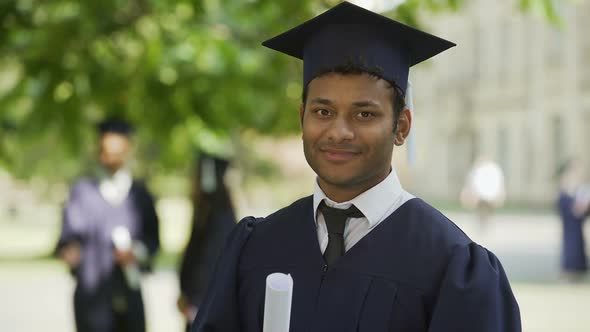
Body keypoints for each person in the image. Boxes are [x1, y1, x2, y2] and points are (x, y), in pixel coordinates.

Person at [191, 2, 521, 331]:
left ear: (402, 126)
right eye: (323, 112)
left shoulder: (452, 265)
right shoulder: (256, 246)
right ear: (302, 117)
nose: (339, 132)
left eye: (365, 114)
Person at [56, 119, 160, 332]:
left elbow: (153, 240)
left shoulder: (140, 195)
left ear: (128, 150)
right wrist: (70, 251)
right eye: (106, 151)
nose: (111, 157)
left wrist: (136, 252)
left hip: (129, 293)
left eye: (117, 151)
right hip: (92, 297)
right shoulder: (82, 192)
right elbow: (67, 237)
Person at [177, 153, 236, 331]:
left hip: (204, 309)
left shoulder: (219, 218)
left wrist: (195, 303)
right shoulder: (209, 213)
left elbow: (208, 263)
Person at [556, 159, 590, 282]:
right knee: (571, 243)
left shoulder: (580, 185)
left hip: (576, 220)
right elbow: (568, 204)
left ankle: (577, 270)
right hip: (570, 215)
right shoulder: (565, 181)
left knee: (577, 243)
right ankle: (568, 271)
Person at [460, 155, 506, 230]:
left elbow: (499, 182)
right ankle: (483, 221)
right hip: (482, 194)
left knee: (485, 208)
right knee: (482, 208)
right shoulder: (478, 169)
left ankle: (484, 221)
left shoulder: (492, 169)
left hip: (487, 194)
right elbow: (471, 182)